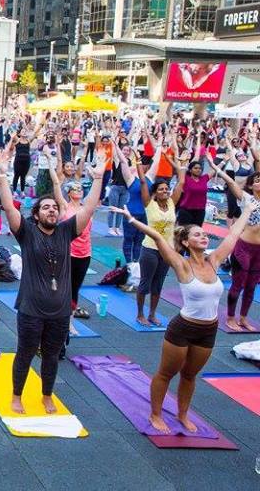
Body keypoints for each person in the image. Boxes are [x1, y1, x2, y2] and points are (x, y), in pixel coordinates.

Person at [110, 201, 254, 433]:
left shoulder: (214, 261)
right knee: (167, 373)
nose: (204, 237)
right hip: (183, 328)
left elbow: (234, 234)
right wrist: (131, 219)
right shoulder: (181, 264)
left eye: (205, 234)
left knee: (189, 375)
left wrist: (248, 209)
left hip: (208, 330)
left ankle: (183, 414)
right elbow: (157, 237)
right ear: (186, 242)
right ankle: (156, 414)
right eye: (197, 235)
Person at [0, 155, 105, 415]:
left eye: (54, 207)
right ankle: (16, 395)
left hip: (59, 309)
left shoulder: (66, 231)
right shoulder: (27, 232)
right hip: (31, 308)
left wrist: (99, 178)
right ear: (36, 215)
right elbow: (11, 209)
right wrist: (2, 179)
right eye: (45, 208)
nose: (52, 210)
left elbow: (88, 209)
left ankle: (47, 395)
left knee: (52, 354)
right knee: (25, 353)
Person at [208, 165, 260, 331]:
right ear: (251, 185)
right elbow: (230, 182)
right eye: (258, 180)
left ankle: (243, 318)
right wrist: (216, 167)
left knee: (252, 286)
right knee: (238, 284)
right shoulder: (246, 198)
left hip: (259, 252)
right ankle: (231, 317)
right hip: (243, 248)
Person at [47, 163, 93, 333]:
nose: (78, 190)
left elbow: (95, 192)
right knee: (61, 287)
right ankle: (55, 317)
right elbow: (57, 184)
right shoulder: (64, 207)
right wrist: (48, 159)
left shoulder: (87, 208)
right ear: (69, 193)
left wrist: (97, 175)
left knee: (75, 288)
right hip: (67, 253)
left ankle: (69, 322)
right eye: (74, 188)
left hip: (85, 254)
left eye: (80, 188)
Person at [136, 180, 176, 326]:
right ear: (155, 192)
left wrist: (181, 164)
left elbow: (181, 181)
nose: (165, 191)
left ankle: (152, 314)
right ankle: (140, 314)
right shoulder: (149, 205)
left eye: (167, 189)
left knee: (158, 284)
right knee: (145, 283)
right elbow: (142, 182)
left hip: (167, 251)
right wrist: (139, 162)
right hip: (150, 249)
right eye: (161, 189)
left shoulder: (171, 203)